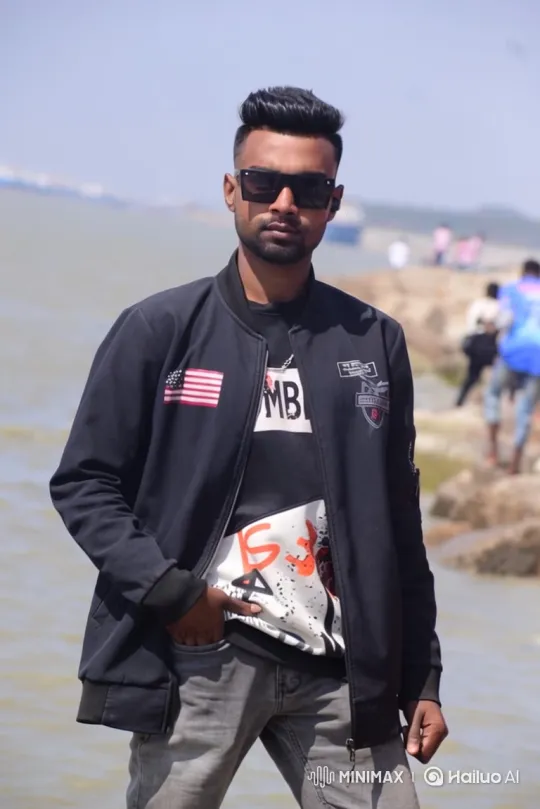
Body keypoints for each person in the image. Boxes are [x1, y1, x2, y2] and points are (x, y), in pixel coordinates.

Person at [49, 86, 447, 809]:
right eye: (265, 182)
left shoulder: (373, 340)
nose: (285, 202)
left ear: (334, 200)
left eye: (309, 187)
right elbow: (84, 482)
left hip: (342, 666)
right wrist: (174, 594)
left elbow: (397, 520)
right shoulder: (159, 328)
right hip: (203, 652)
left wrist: (420, 673)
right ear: (233, 190)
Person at [484, 258, 540, 473]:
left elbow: (505, 319)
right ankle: (515, 462)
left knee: (493, 394)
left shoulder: (512, 289)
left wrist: (492, 328)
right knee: (526, 408)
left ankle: (493, 451)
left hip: (513, 353)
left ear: (523, 272)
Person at [456, 282, 501, 406]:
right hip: (487, 344)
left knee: (472, 376)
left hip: (474, 343)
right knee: (496, 376)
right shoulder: (498, 306)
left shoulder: (477, 304)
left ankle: (459, 402)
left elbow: (470, 324)